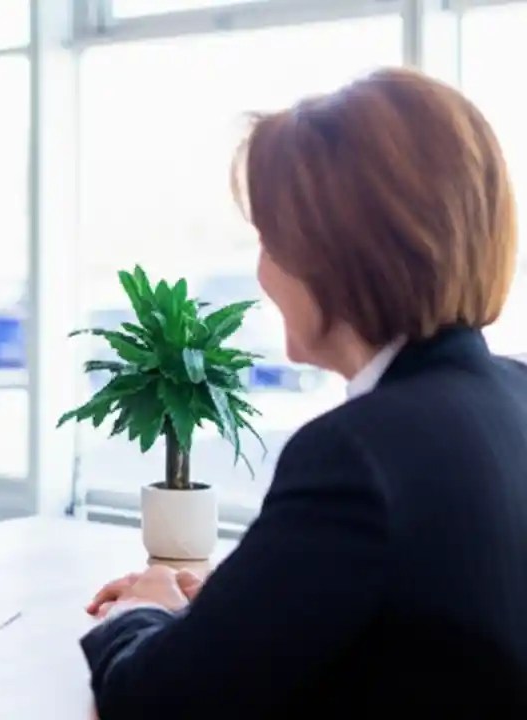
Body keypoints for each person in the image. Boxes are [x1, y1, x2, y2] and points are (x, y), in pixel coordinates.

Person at [80, 67, 527, 717]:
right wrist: (236, 601)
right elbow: (425, 615)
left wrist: (138, 612)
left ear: (329, 257)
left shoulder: (359, 452)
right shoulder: (511, 396)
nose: (262, 272)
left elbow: (157, 699)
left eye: (268, 240)